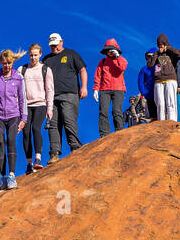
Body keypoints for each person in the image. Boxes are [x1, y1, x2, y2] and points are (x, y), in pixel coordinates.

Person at [0, 49, 27, 190]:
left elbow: (23, 99)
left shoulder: (18, 77)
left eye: (9, 63)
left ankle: (11, 176)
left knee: (11, 140)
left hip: (13, 115)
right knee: (0, 142)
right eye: (4, 63)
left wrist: (24, 118)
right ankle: (3, 177)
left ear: (13, 62)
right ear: (0, 62)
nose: (7, 66)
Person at [43, 33, 87, 162]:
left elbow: (82, 70)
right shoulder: (46, 59)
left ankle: (75, 147)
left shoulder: (71, 54)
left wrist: (84, 87)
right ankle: (54, 153)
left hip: (69, 94)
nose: (54, 47)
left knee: (69, 120)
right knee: (53, 124)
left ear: (61, 42)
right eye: (52, 46)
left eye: (56, 45)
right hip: (51, 97)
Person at [19, 43, 54, 173]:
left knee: (35, 128)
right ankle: (29, 163)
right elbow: (17, 89)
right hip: (26, 106)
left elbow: (50, 89)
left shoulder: (45, 69)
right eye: (31, 55)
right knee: (26, 132)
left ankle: (38, 159)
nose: (33, 58)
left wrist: (50, 108)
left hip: (40, 104)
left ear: (40, 55)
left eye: (35, 55)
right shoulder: (22, 69)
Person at [93, 39, 128, 137]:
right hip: (104, 90)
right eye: (108, 50)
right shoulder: (103, 61)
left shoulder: (120, 60)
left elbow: (123, 67)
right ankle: (104, 134)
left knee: (116, 111)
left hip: (118, 89)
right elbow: (98, 76)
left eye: (112, 50)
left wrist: (117, 56)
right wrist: (95, 89)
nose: (110, 52)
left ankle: (120, 132)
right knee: (103, 111)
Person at [151, 34, 180, 123]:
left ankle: (172, 122)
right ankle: (161, 123)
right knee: (160, 104)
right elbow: (150, 65)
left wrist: (169, 48)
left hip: (170, 79)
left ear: (166, 43)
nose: (161, 45)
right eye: (159, 44)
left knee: (170, 102)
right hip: (158, 81)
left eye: (162, 43)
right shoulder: (156, 54)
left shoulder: (171, 52)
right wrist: (157, 53)